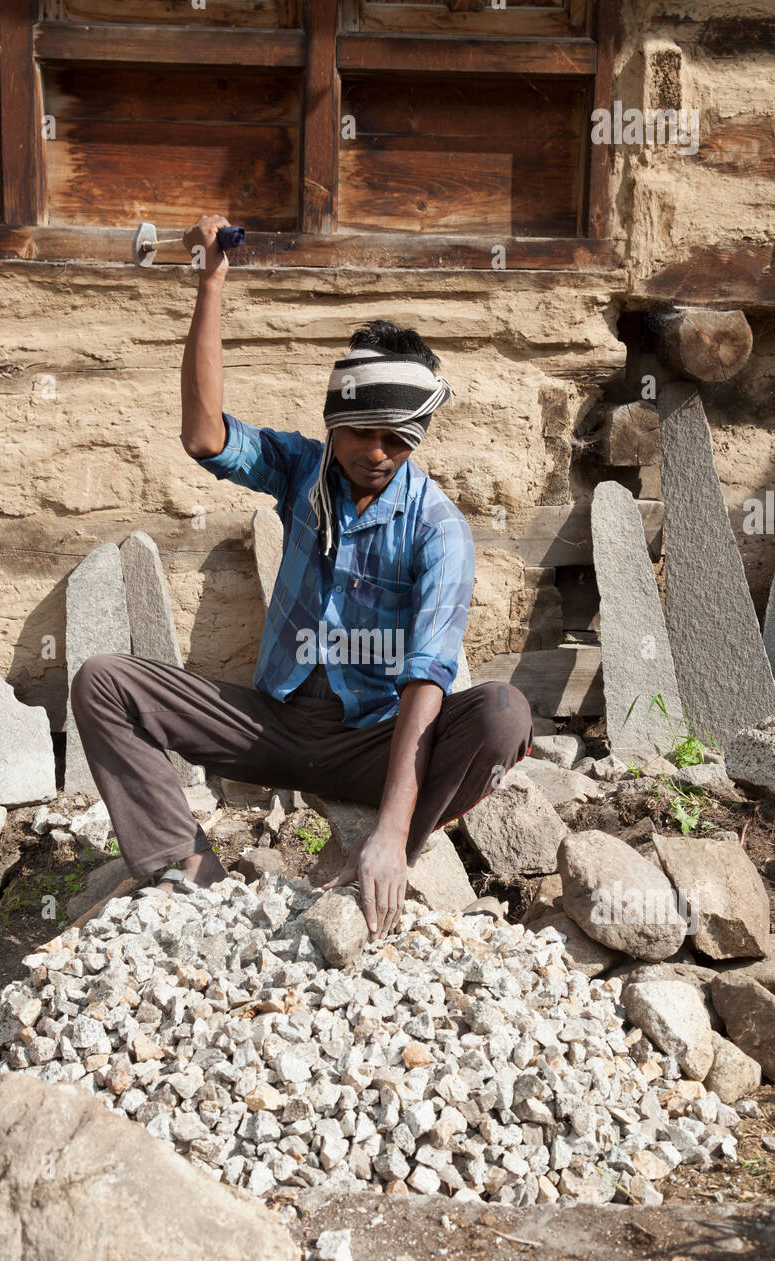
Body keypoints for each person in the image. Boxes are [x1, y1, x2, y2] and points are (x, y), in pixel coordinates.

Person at [70, 214, 533, 942]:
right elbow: (204, 435)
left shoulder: (437, 528)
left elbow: (427, 676)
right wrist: (211, 282)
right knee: (102, 680)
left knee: (503, 713)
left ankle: (384, 861)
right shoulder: (299, 470)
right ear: (333, 422)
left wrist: (387, 827)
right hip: (276, 724)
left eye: (397, 439)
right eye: (362, 433)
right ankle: (189, 872)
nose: (378, 453)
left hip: (371, 747)